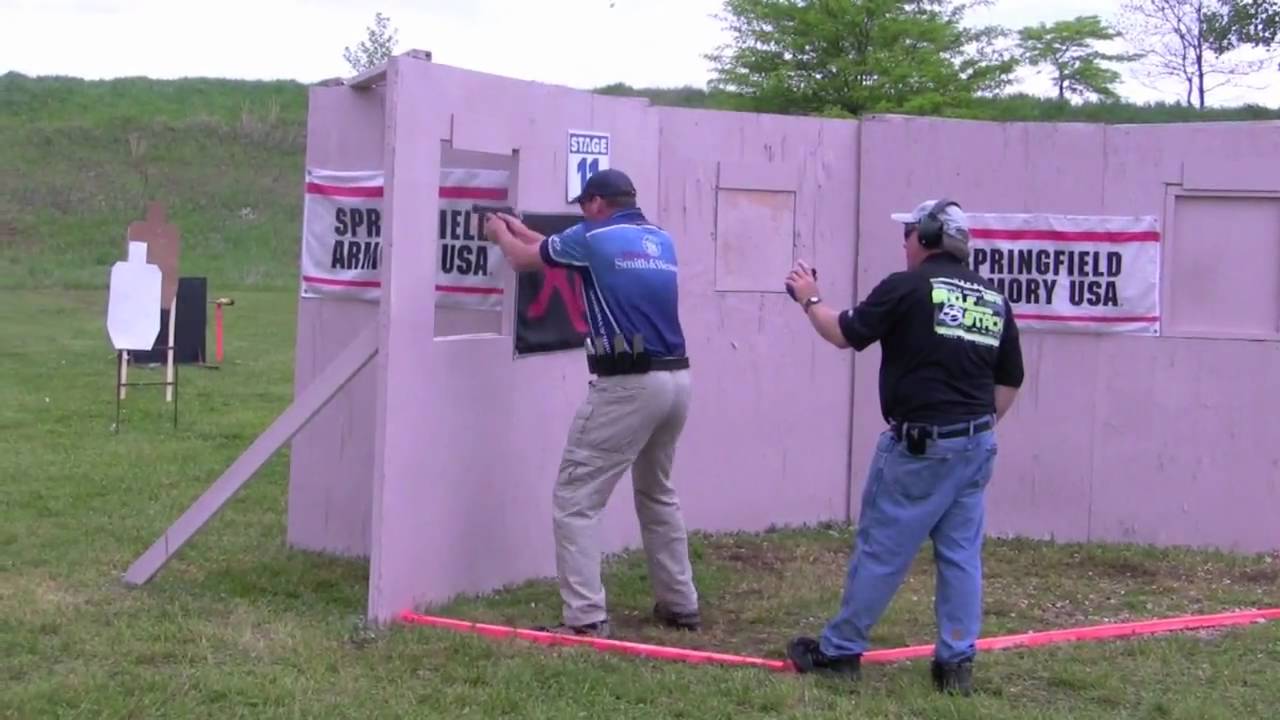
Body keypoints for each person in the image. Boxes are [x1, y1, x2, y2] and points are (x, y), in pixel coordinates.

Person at [781, 198, 1024, 695]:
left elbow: (843, 333)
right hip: (975, 446)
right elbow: (1010, 380)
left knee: (881, 550)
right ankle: (955, 665)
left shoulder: (906, 287)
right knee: (961, 557)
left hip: (919, 448)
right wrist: (973, 430)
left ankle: (840, 651)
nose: (905, 243)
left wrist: (809, 298)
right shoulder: (993, 298)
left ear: (928, 237)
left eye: (909, 233)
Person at [482, 168, 701, 638]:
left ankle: (584, 617)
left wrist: (499, 234)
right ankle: (680, 604)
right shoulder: (659, 239)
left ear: (598, 203)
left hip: (628, 384)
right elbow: (557, 248)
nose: (582, 212)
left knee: (576, 499)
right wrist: (522, 228)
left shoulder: (592, 237)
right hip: (676, 380)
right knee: (657, 493)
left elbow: (522, 261)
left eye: (584, 205)